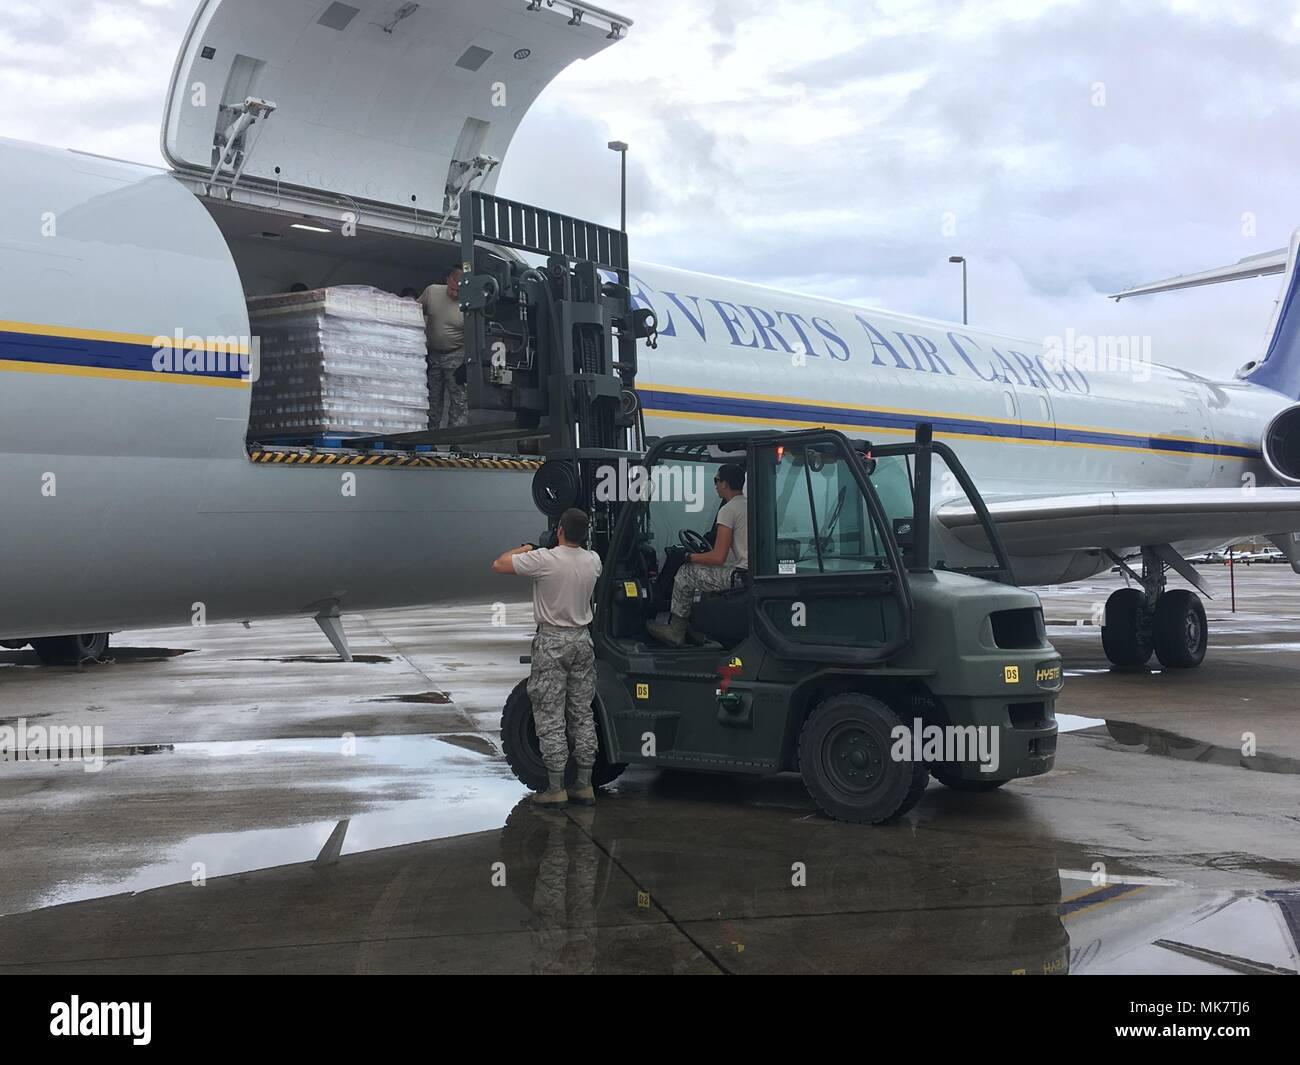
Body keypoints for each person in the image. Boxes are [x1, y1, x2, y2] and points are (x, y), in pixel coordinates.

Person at [492, 507, 603, 807]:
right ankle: (584, 784)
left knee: (550, 713)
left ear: (559, 531)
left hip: (553, 641)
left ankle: (555, 788)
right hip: (582, 640)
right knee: (582, 713)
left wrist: (528, 548)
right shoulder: (594, 561)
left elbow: (499, 564)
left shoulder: (545, 559)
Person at [646, 463, 747, 647]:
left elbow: (718, 557)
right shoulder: (747, 505)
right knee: (700, 571)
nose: (715, 485)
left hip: (738, 577)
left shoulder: (728, 510)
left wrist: (688, 557)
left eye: (716, 481)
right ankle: (695, 628)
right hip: (747, 574)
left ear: (725, 483)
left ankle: (676, 630)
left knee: (686, 573)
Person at [419, 264, 468, 429]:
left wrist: (467, 363)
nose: (455, 294)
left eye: (459, 292)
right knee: (432, 399)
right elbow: (414, 312)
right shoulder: (432, 292)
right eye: (453, 289)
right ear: (448, 280)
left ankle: (456, 441)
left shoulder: (470, 304)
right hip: (433, 355)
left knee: (459, 401)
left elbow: (476, 337)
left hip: (456, 355)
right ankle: (429, 438)